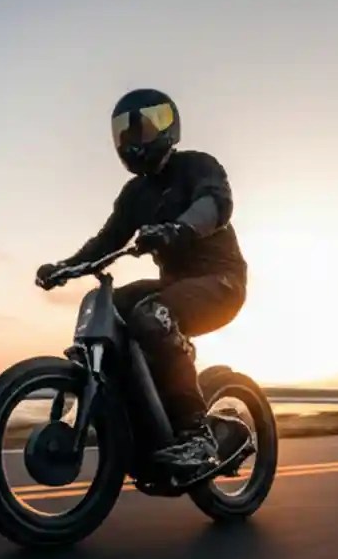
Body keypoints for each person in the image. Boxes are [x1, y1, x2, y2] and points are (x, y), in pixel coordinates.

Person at [36, 88, 248, 486]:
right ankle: (138, 416)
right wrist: (64, 267)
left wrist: (178, 229)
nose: (134, 141)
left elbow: (216, 204)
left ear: (169, 128)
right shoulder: (135, 195)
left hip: (222, 282)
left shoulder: (198, 166)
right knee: (113, 307)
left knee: (151, 315)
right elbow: (107, 241)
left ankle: (197, 435)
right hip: (176, 285)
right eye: (125, 134)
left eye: (145, 128)